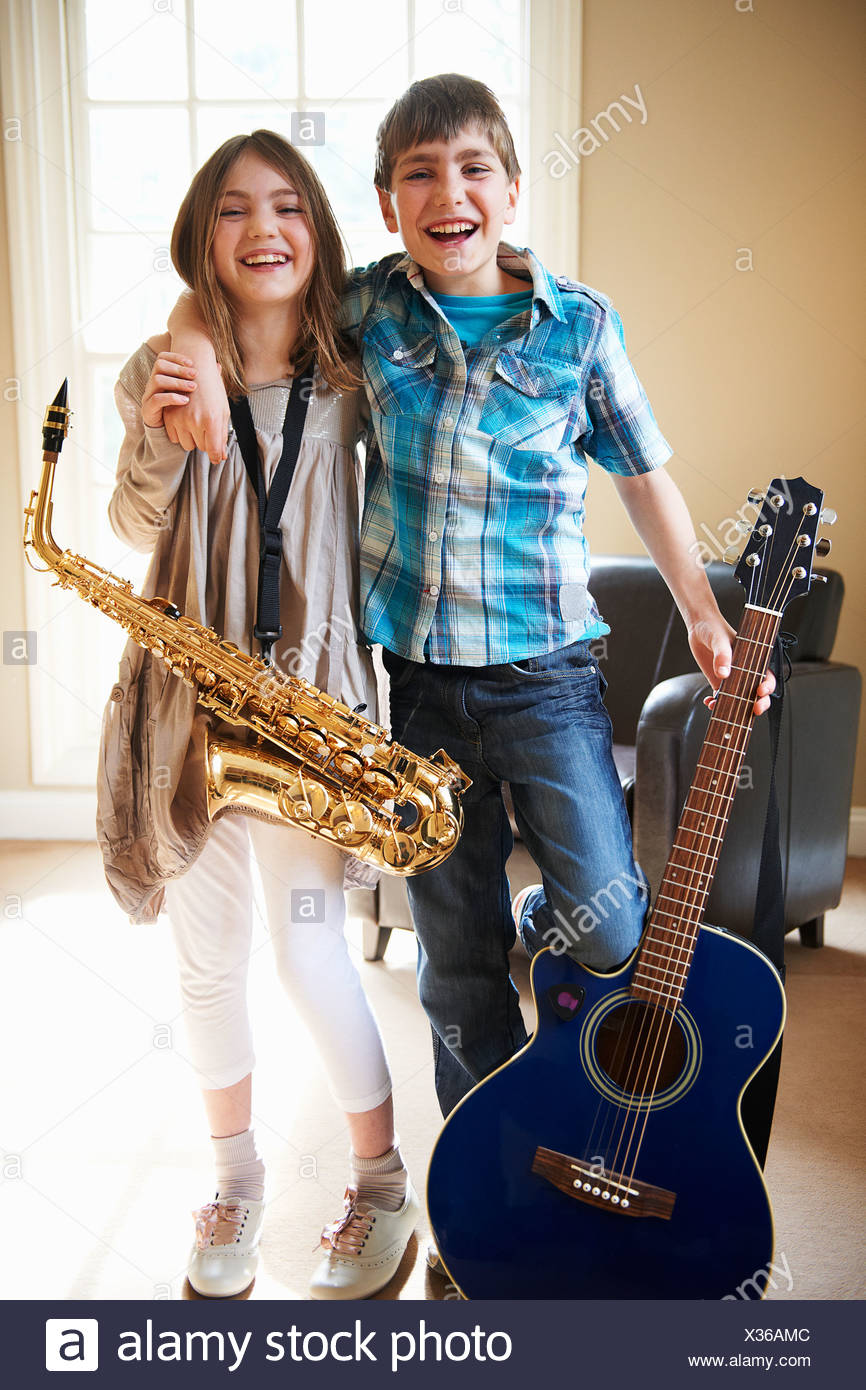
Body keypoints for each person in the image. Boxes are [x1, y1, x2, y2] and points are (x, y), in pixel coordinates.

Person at [164, 77, 774, 1131]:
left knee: (611, 928)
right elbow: (241, 296)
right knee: (455, 965)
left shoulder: (577, 327)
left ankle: (552, 929)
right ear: (388, 202)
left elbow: (642, 477)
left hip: (547, 681)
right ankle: (480, 1184)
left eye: (472, 167)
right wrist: (191, 346)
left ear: (510, 188)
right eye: (419, 173)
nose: (449, 190)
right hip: (414, 695)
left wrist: (706, 616)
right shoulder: (366, 308)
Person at [97, 131, 419, 1301]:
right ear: (204, 236)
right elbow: (135, 526)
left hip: (312, 707)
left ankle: (379, 1183)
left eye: (287, 206)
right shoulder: (162, 362)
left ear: (319, 234)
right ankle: (233, 1180)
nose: (263, 229)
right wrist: (160, 424)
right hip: (190, 704)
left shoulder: (358, 370)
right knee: (205, 959)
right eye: (234, 211)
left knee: (309, 947)